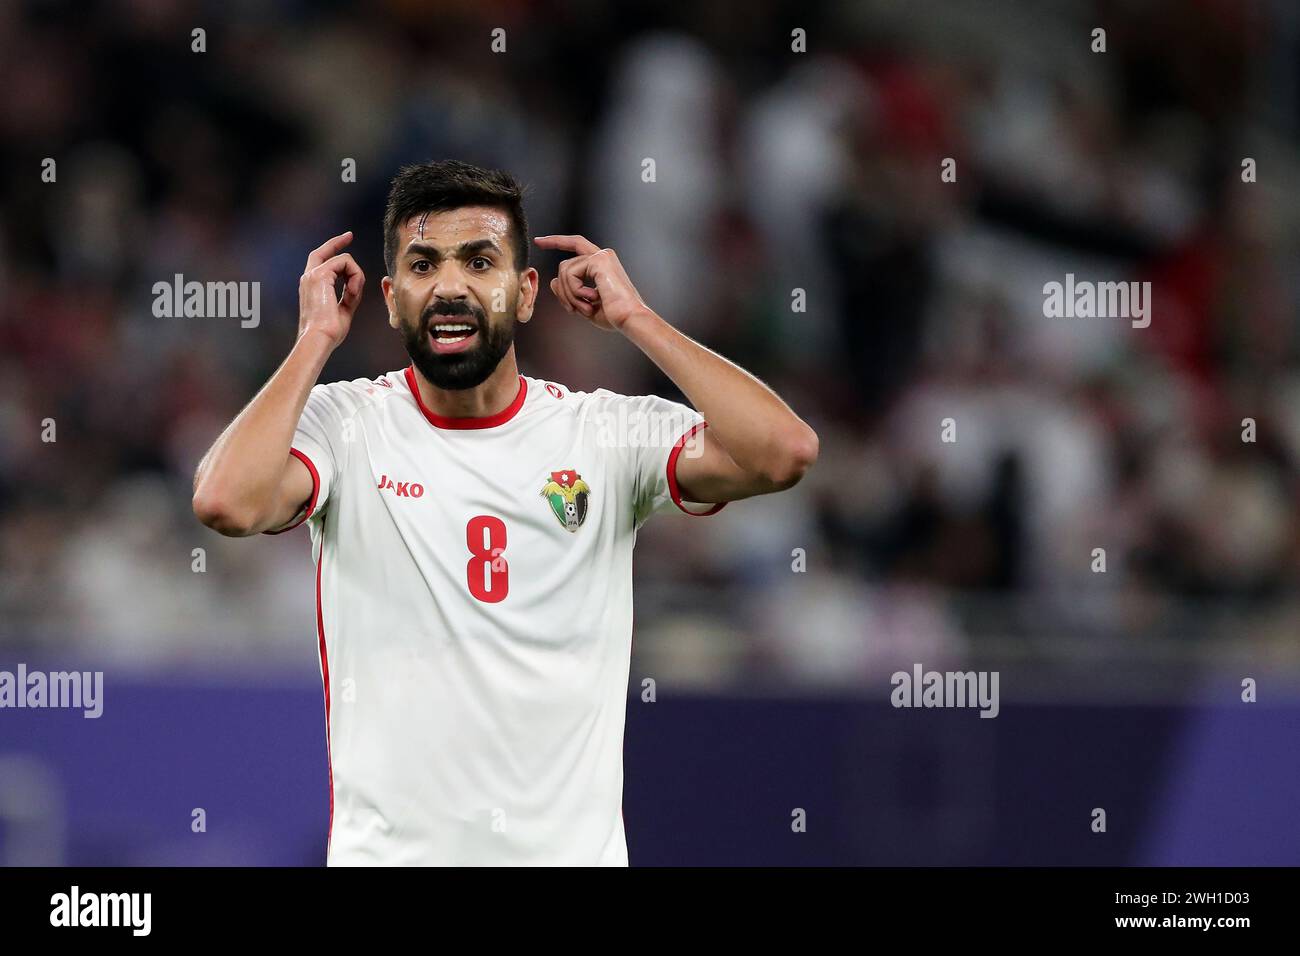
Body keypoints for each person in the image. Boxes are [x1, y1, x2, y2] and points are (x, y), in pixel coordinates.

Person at [191, 159, 818, 865]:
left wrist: (637, 320)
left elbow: (783, 452)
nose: (450, 286)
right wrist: (313, 341)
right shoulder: (345, 426)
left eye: (479, 261)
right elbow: (225, 501)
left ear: (524, 294)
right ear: (393, 299)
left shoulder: (602, 434)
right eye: (423, 265)